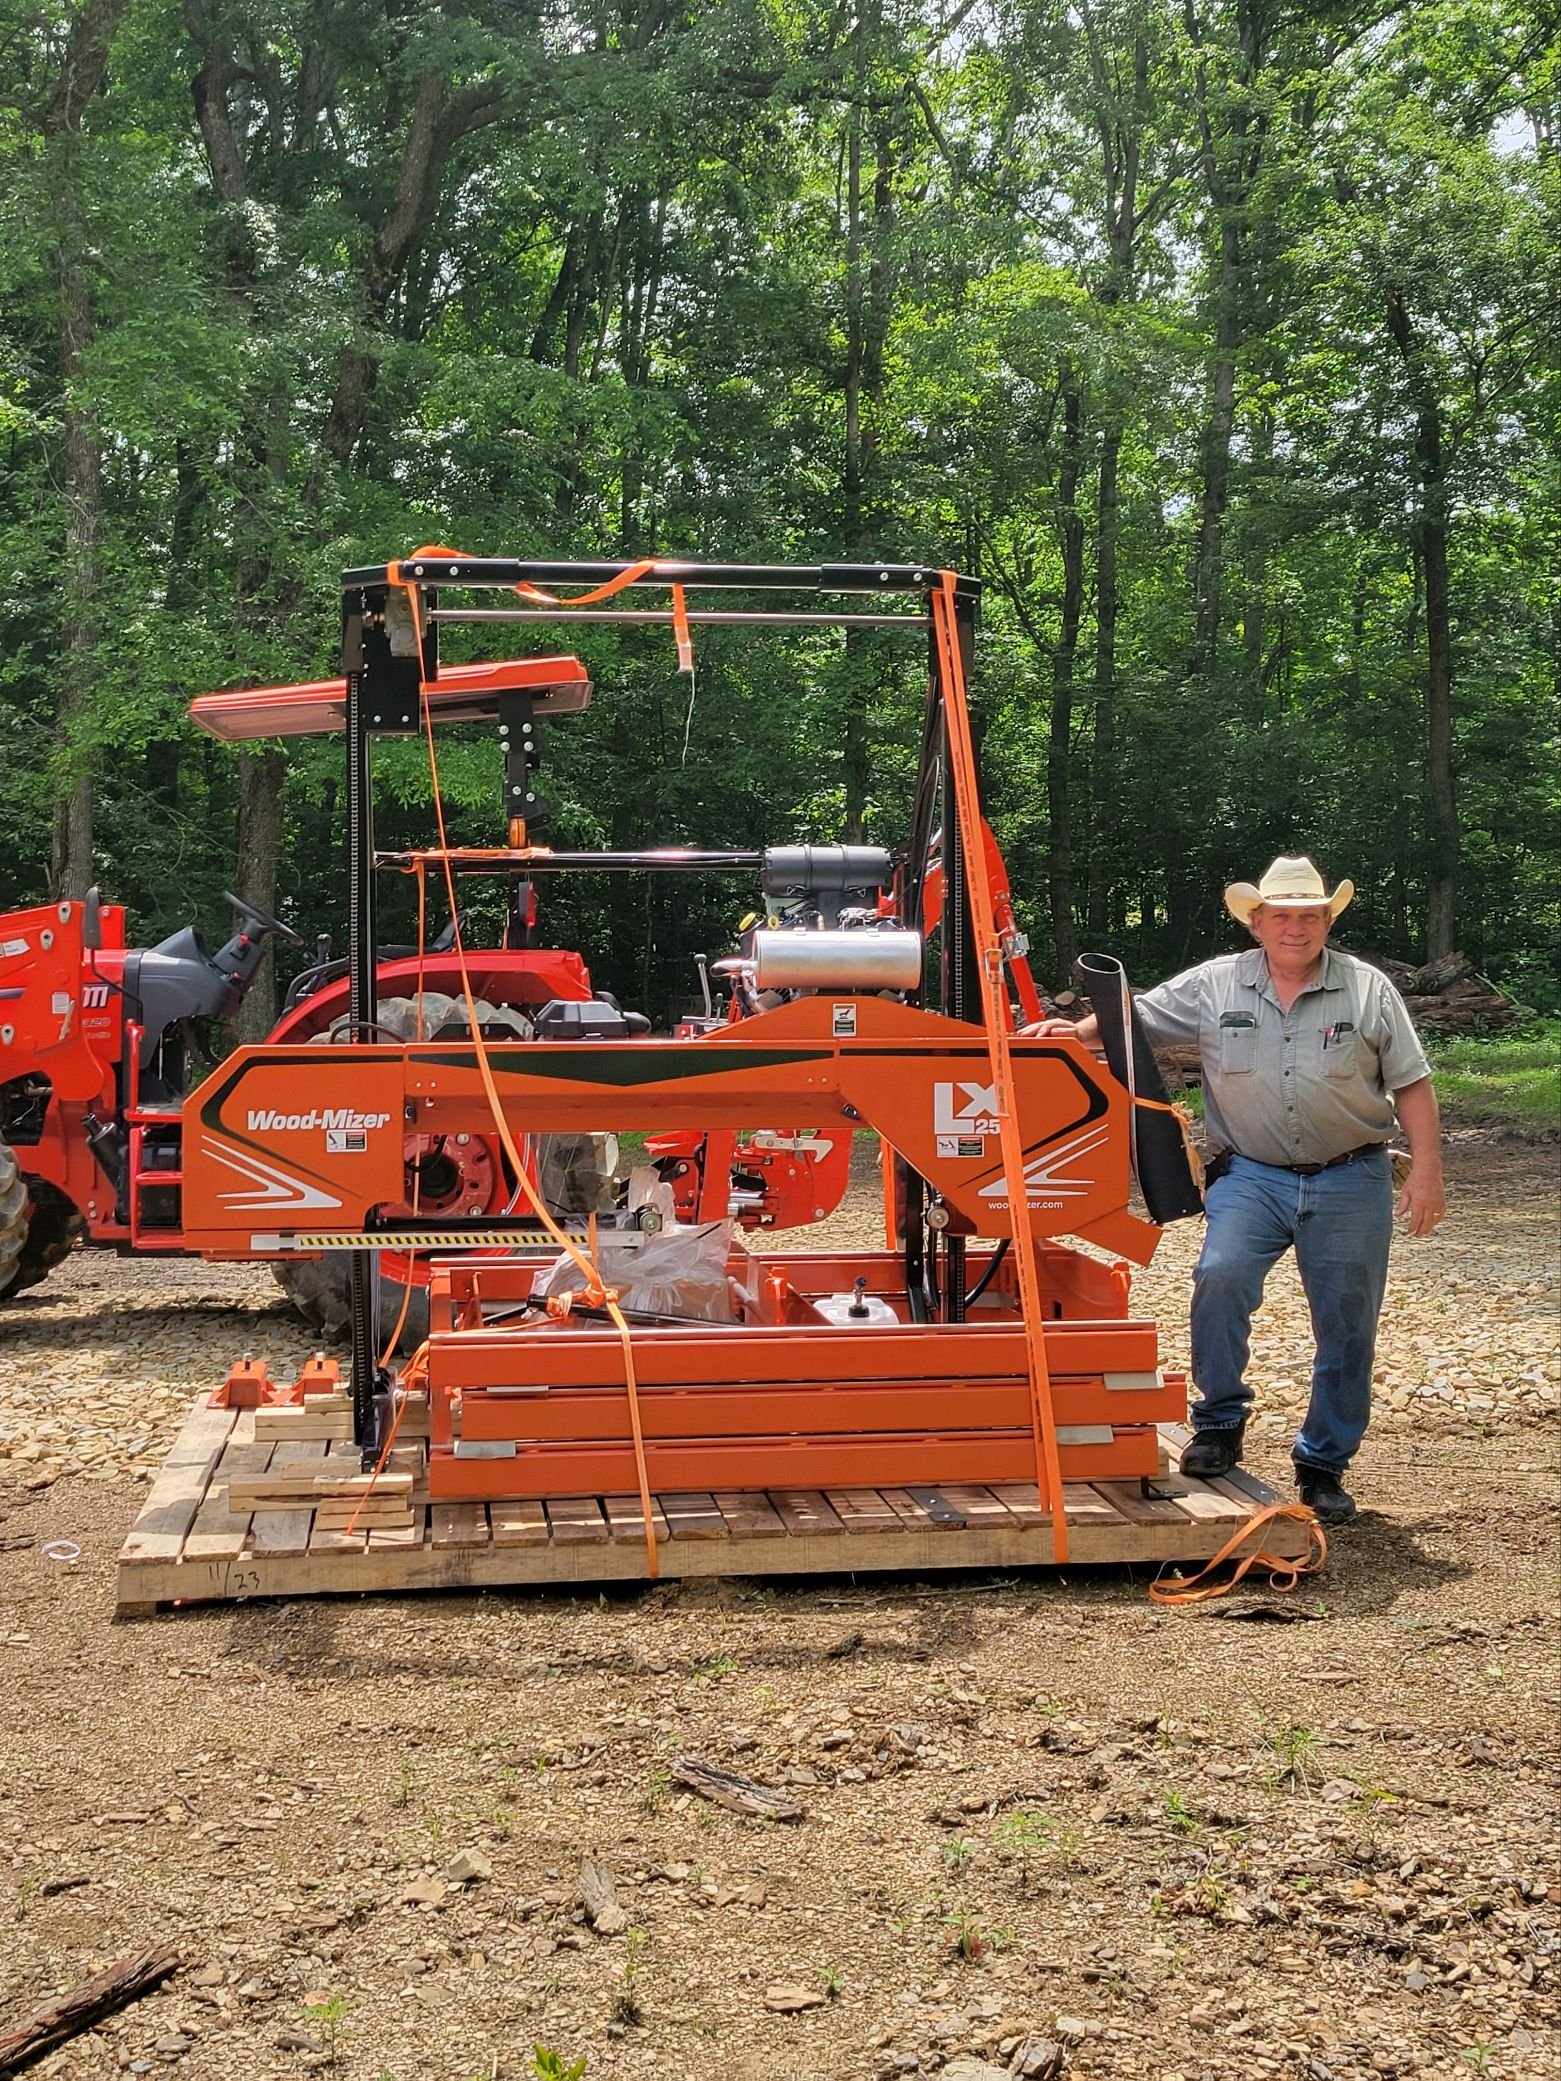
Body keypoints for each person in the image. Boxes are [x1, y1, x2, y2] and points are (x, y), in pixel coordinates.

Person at [1027, 856, 1446, 1525]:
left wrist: (1426, 1170)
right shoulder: (1215, 983)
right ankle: (1218, 1422)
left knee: (1346, 1324)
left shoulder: (1367, 990)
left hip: (1350, 1173)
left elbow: (1411, 1082)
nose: (1294, 927)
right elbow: (1136, 1017)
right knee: (1218, 1277)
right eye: (1280, 915)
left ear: (1325, 920)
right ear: (1256, 920)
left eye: (1308, 915)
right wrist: (1070, 1033)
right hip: (1250, 1172)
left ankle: (1322, 1463)